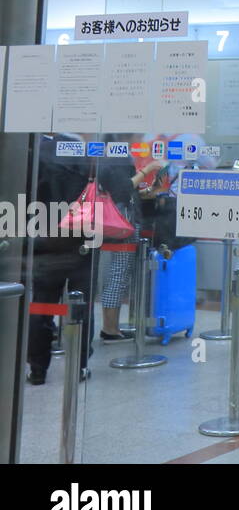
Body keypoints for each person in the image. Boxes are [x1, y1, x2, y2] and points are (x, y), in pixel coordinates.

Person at [26, 135, 94, 385]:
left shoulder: (36, 150)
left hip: (45, 239)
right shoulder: (84, 152)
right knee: (81, 307)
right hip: (80, 240)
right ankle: (79, 365)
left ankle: (37, 368)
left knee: (41, 305)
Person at [99, 137, 165, 343]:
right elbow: (123, 188)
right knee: (118, 275)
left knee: (120, 275)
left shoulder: (114, 158)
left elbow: (129, 192)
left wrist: (150, 190)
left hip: (123, 219)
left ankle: (113, 327)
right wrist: (149, 169)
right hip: (122, 223)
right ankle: (109, 329)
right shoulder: (116, 158)